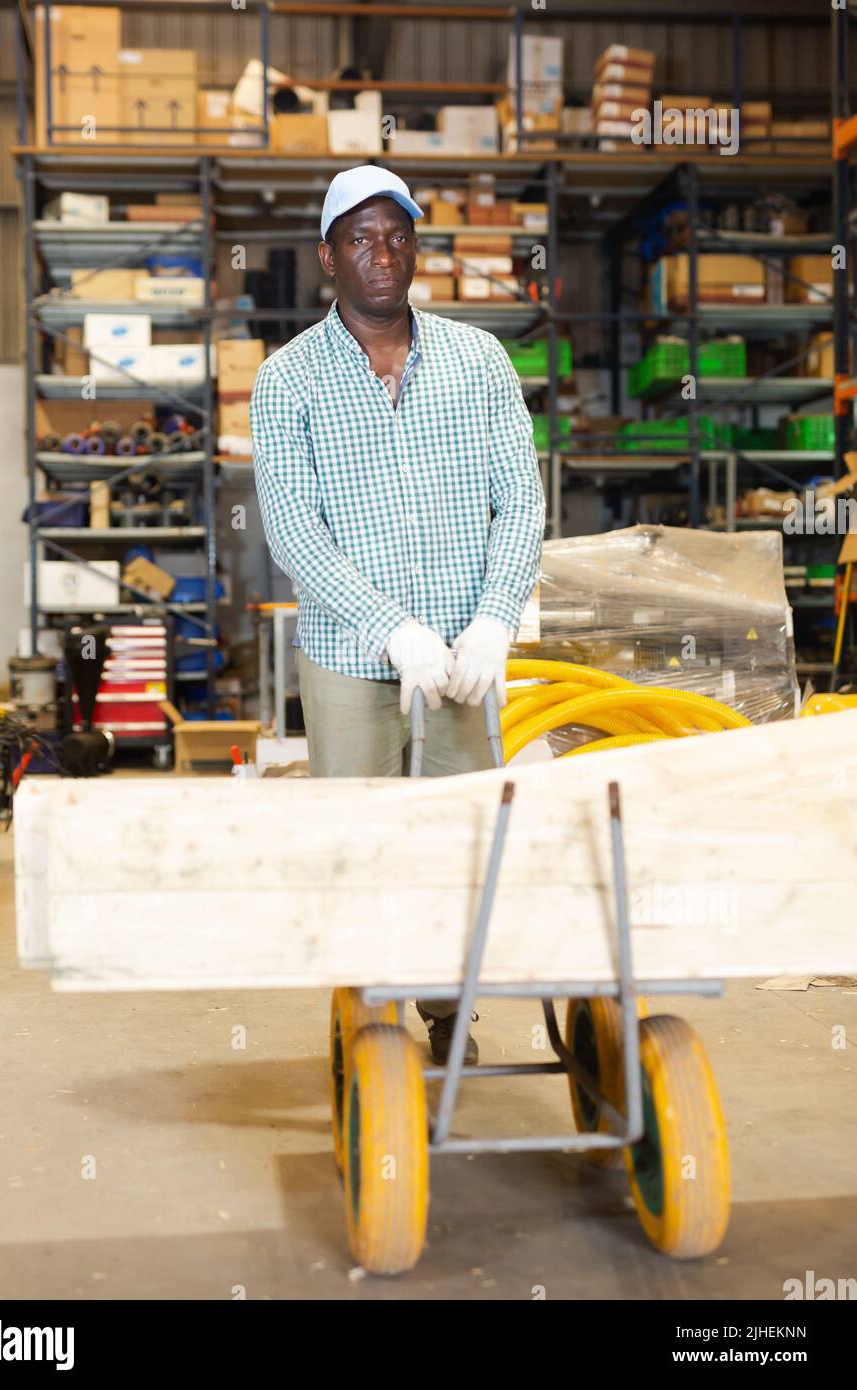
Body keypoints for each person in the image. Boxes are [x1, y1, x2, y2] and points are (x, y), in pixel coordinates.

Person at [251, 165, 545, 1064]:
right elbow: (295, 531)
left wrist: (494, 619)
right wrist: (389, 626)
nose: (384, 253)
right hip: (349, 654)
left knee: (460, 842)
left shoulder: (478, 359)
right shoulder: (287, 379)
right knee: (364, 843)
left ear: (417, 245)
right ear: (329, 256)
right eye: (362, 238)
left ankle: (452, 1015)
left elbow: (522, 502)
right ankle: (366, 1019)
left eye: (399, 234)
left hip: (462, 652)